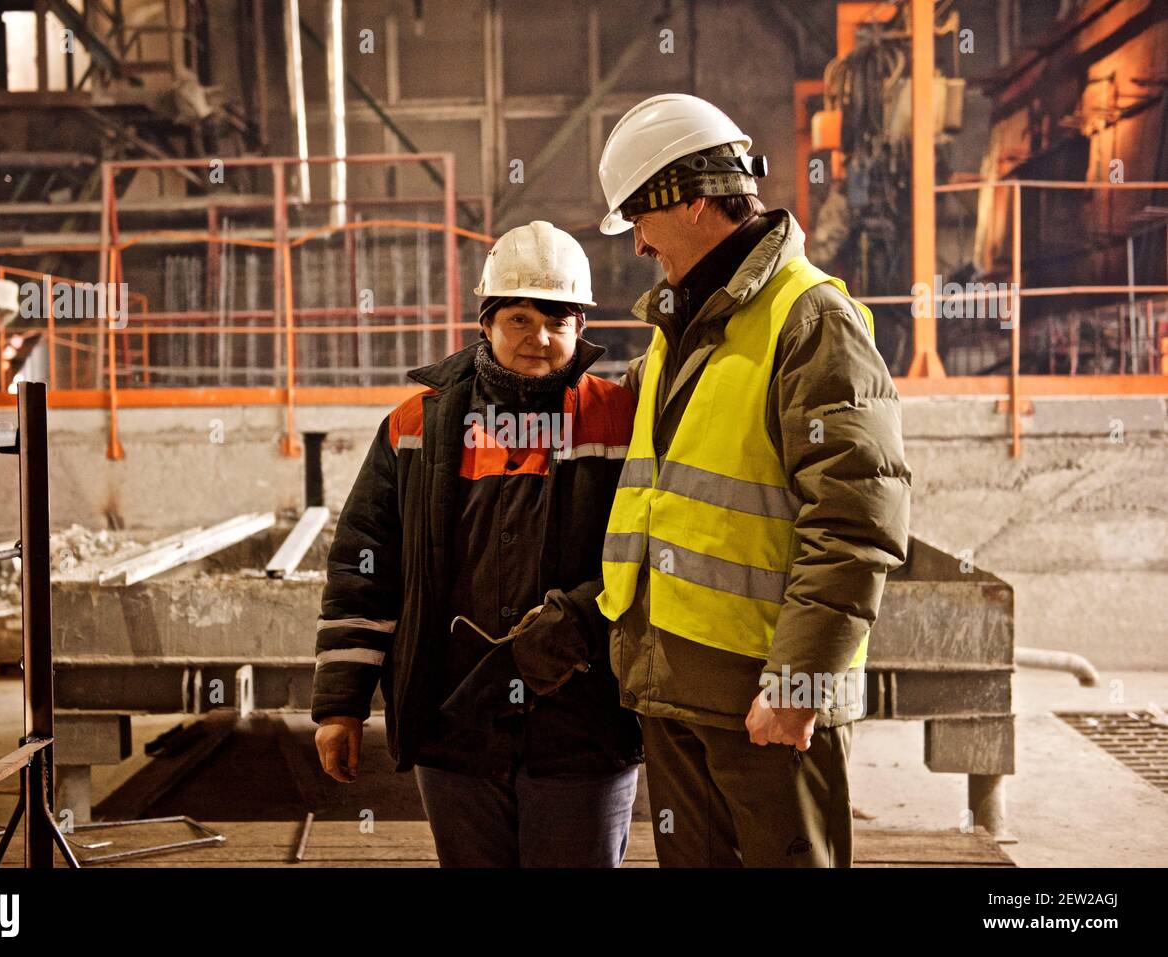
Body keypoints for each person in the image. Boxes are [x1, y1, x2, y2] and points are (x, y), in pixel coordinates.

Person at [594, 93, 912, 867]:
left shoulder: (809, 321)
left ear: (694, 201)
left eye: (639, 216)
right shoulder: (689, 324)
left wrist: (800, 681)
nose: (636, 243)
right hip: (676, 688)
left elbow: (856, 518)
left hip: (764, 703)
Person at [311, 220, 643, 867]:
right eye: (519, 318)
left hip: (584, 729)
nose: (539, 337)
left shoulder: (622, 417)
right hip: (455, 726)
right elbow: (364, 563)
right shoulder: (418, 426)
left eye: (557, 320)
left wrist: (579, 620)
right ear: (486, 321)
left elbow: (657, 552)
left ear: (581, 327)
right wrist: (340, 704)